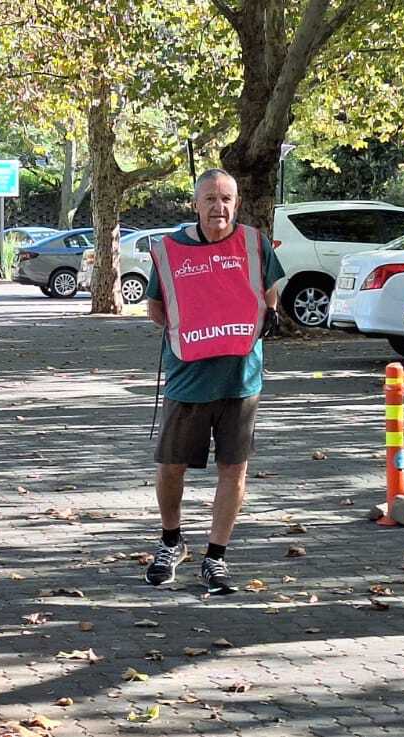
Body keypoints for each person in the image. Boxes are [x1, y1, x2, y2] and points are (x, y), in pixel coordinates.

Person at [143, 169, 285, 596]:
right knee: (171, 468)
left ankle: (216, 557)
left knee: (233, 469)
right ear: (195, 203)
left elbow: (270, 291)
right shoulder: (171, 250)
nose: (218, 207)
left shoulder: (254, 243)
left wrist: (262, 316)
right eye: (209, 199)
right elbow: (156, 308)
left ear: (236, 204)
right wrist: (199, 326)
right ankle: (172, 543)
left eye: (226, 199)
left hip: (242, 378)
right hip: (188, 378)